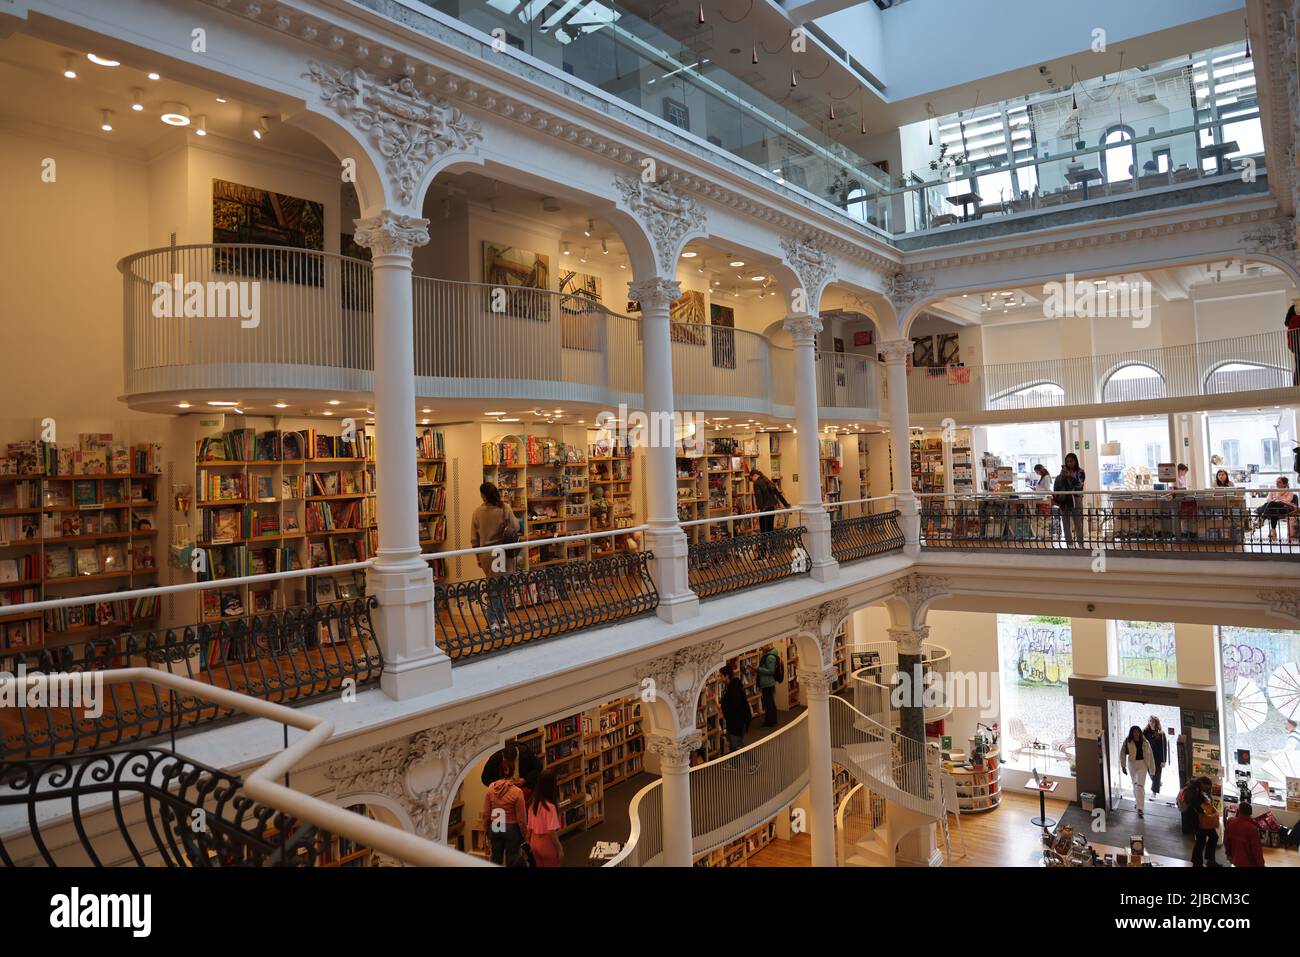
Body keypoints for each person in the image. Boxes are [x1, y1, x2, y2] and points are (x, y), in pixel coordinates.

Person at [470, 482, 517, 629]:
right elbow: (516, 527)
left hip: (486, 555)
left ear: (483, 495)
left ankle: (499, 620)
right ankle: (492, 621)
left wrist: (478, 557)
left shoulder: (477, 512)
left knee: (493, 587)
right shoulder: (504, 508)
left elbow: (474, 538)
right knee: (498, 588)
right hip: (502, 552)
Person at [481, 753, 527, 865]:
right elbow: (521, 818)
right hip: (511, 827)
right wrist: (525, 834)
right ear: (512, 772)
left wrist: (486, 828)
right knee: (512, 860)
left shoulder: (491, 788)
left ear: (500, 772)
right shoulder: (517, 792)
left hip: (496, 826)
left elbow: (486, 813)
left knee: (495, 860)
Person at [719, 661, 757, 773]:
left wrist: (722, 707)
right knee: (732, 742)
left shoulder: (733, 689)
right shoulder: (733, 686)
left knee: (738, 744)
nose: (720, 678)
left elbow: (734, 706)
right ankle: (734, 764)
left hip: (737, 722)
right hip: (735, 721)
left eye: (721, 676)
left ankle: (753, 762)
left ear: (726, 676)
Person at [525, 769, 564, 867]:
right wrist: (559, 848)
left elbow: (529, 827)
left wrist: (528, 842)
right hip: (546, 843)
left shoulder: (533, 802)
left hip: (534, 841)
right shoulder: (549, 807)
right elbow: (551, 831)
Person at [1182, 776, 1220, 867]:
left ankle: (1206, 860)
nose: (1207, 789)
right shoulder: (1192, 788)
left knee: (1212, 837)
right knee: (1201, 840)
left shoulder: (1197, 788)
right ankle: (1199, 862)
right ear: (1202, 783)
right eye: (1207, 787)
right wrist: (1202, 811)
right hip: (1197, 819)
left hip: (1201, 818)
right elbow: (1193, 801)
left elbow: (1197, 800)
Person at [1053, 453, 1087, 548]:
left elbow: (1079, 485)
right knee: (1065, 522)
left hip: (1076, 499)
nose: (1069, 463)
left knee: (1078, 522)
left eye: (1071, 461)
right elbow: (1058, 485)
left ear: (1075, 461)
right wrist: (1063, 476)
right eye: (1067, 461)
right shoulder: (1062, 473)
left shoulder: (1080, 472)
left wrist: (1069, 476)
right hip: (1064, 500)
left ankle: (1080, 543)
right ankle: (1069, 544)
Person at [1253, 476, 1298, 541]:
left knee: (1271, 504)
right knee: (1272, 507)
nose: (1277, 483)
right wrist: (1275, 500)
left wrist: (1276, 500)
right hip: (1273, 508)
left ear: (1284, 484)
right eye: (1276, 482)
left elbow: (1287, 501)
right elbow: (1268, 499)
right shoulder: (1273, 490)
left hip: (1283, 508)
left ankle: (1261, 518)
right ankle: (1272, 530)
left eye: (1279, 482)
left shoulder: (1289, 492)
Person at [1119, 725, 1149, 817]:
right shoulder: (1128, 741)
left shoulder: (1144, 741)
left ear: (1140, 733)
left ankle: (1140, 808)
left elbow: (1150, 756)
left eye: (1138, 732)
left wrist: (1152, 769)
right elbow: (1122, 753)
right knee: (1135, 784)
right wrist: (1123, 766)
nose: (1136, 734)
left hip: (1142, 764)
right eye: (1134, 732)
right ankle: (1138, 801)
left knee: (1140, 785)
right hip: (1132, 764)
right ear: (1131, 733)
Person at [1224, 802, 1266, 867]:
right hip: (1249, 862)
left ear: (1239, 811)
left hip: (1235, 858)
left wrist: (1228, 854)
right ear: (1250, 813)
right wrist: (1261, 865)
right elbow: (1257, 851)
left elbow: (1226, 841)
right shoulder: (1252, 829)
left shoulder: (1230, 821)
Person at [749, 469, 789, 535]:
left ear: (755, 475)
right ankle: (771, 544)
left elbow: (759, 497)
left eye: (752, 479)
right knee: (770, 529)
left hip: (764, 509)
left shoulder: (756, 483)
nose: (753, 481)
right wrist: (786, 504)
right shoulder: (767, 480)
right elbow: (778, 494)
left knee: (764, 531)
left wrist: (760, 509)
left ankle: (764, 545)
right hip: (772, 508)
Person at [1142, 716, 1168, 795]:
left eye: (1153, 722)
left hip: (1158, 757)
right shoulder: (1145, 732)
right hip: (1148, 756)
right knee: (1151, 774)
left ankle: (1154, 792)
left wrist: (1164, 761)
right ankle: (1157, 782)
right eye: (1150, 721)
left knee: (1157, 774)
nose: (1151, 723)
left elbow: (1164, 748)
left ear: (1156, 723)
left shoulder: (1161, 734)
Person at [757, 645, 781, 727]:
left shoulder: (770, 657)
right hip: (768, 682)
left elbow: (771, 671)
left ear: (767, 647)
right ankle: (772, 720)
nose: (761, 648)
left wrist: (758, 669)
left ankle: (770, 721)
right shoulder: (769, 655)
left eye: (762, 647)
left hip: (767, 683)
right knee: (770, 702)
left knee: (768, 703)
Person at [1285, 302, 1300, 387]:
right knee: (1298, 366)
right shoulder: (1295, 319)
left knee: (1298, 365)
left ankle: (1296, 384)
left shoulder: (1291, 320)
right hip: (1297, 344)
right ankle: (1296, 384)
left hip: (1295, 346)